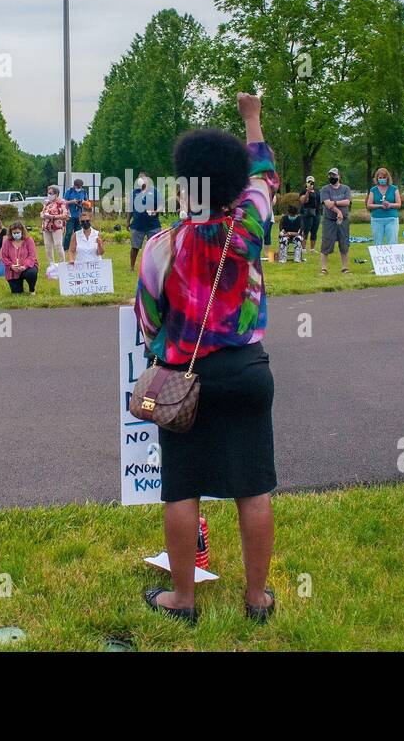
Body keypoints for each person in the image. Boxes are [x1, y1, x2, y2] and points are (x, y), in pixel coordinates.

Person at [135, 91, 279, 624]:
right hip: (246, 371)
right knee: (253, 485)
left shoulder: (160, 247)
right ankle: (256, 598)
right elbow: (264, 179)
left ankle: (183, 599)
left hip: (183, 379)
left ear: (184, 184)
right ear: (235, 185)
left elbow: (147, 321)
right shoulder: (249, 229)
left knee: (182, 486)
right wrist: (252, 118)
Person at [319, 167, 352, 275]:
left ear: (339, 176)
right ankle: (324, 269)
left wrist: (335, 203)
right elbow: (327, 204)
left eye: (334, 175)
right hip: (329, 220)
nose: (332, 177)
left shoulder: (346, 188)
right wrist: (338, 212)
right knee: (326, 243)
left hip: (344, 221)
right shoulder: (325, 189)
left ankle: (345, 268)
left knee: (344, 243)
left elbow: (347, 202)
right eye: (330, 175)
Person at [128, 172, 162, 272]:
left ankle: (154, 268)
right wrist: (127, 221)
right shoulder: (134, 192)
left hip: (153, 225)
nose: (141, 179)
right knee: (135, 247)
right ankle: (132, 267)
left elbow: (160, 205)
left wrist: (156, 211)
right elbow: (130, 208)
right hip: (137, 224)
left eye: (143, 177)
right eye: (139, 178)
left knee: (154, 248)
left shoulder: (155, 191)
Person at [366, 167, 403, 247]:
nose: (382, 179)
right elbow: (369, 205)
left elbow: (399, 204)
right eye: (380, 178)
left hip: (392, 219)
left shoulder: (394, 189)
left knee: (392, 242)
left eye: (384, 177)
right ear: (377, 178)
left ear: (387, 178)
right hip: (377, 220)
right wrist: (380, 206)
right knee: (377, 243)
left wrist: (390, 205)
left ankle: (392, 259)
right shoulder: (373, 190)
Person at [0, 220, 39, 294]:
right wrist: (11, 266)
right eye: (14, 233)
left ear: (22, 231)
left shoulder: (29, 240)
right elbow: (4, 257)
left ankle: (32, 289)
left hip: (27, 268)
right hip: (12, 270)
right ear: (11, 233)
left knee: (31, 273)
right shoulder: (7, 242)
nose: (16, 234)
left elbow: (32, 256)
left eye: (18, 233)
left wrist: (24, 266)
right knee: (16, 293)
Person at [40, 185, 68, 265]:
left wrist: (53, 217)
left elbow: (65, 215)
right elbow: (42, 212)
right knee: (48, 246)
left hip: (57, 227)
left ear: (56, 194)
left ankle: (62, 263)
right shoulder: (47, 202)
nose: (49, 195)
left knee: (58, 245)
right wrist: (42, 215)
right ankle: (51, 263)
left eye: (51, 193)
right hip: (46, 227)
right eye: (48, 193)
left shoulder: (62, 202)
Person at [64, 177, 88, 249]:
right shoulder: (69, 191)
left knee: (78, 233)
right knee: (69, 232)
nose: (79, 188)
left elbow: (87, 202)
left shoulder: (83, 191)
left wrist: (83, 202)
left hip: (79, 215)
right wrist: (72, 201)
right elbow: (64, 202)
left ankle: (77, 247)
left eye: (80, 187)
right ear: (74, 186)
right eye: (77, 187)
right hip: (70, 215)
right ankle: (66, 247)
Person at [299, 175, 321, 252]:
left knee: (314, 231)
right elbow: (303, 201)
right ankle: (303, 248)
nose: (311, 183)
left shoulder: (317, 190)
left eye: (312, 182)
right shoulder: (304, 190)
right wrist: (308, 192)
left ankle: (312, 249)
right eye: (309, 181)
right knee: (305, 230)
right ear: (306, 182)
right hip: (307, 213)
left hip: (317, 213)